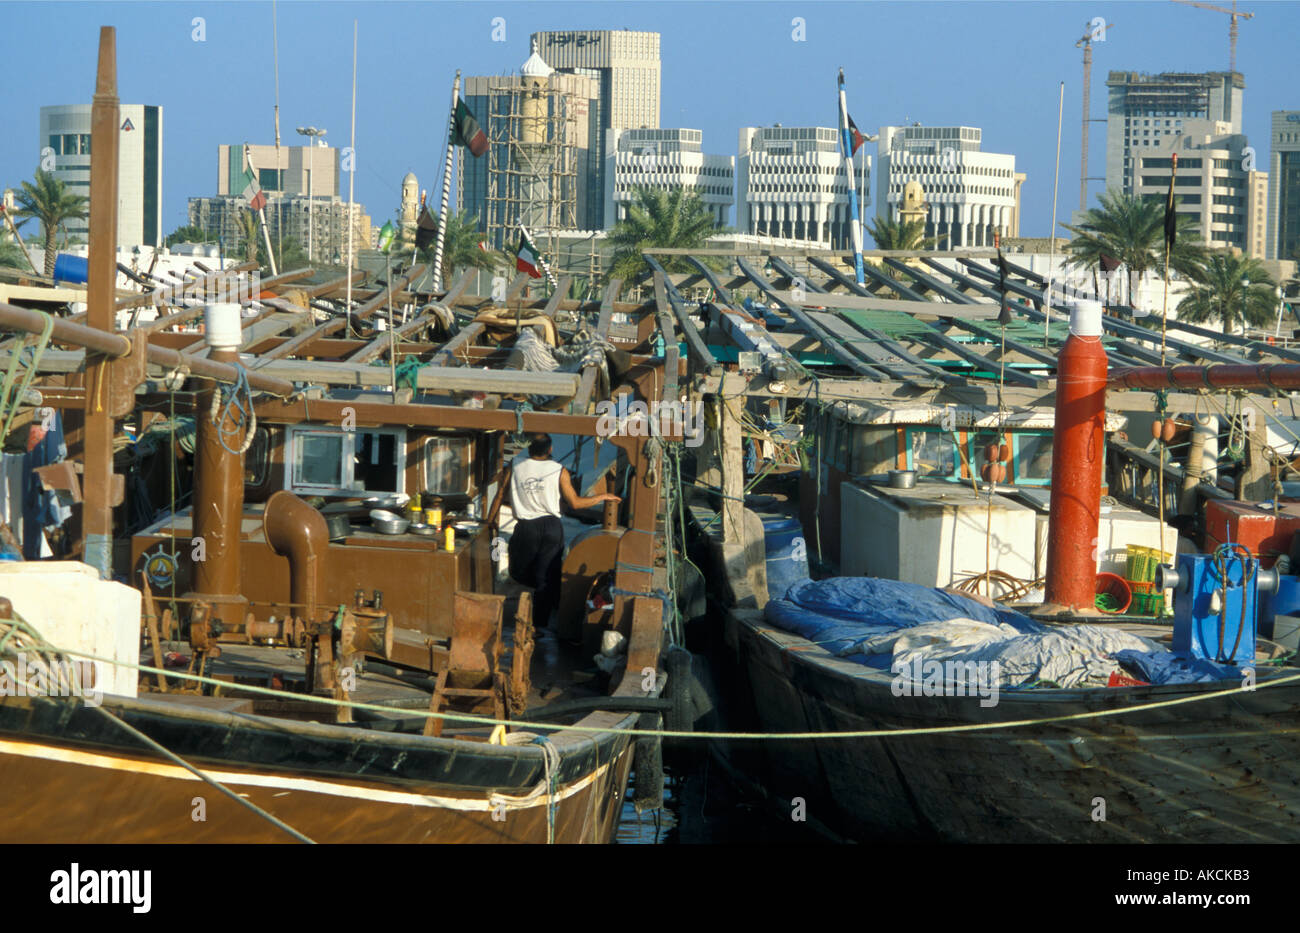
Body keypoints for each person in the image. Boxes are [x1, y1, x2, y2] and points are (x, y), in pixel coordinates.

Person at [488, 434, 620, 629]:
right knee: (546, 577)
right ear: (550, 450)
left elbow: (500, 495)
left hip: (526, 527)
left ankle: (540, 609)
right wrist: (604, 496)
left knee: (518, 571)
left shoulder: (514, 464)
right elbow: (575, 503)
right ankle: (540, 624)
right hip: (551, 527)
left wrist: (489, 522)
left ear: (530, 448)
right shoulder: (559, 470)